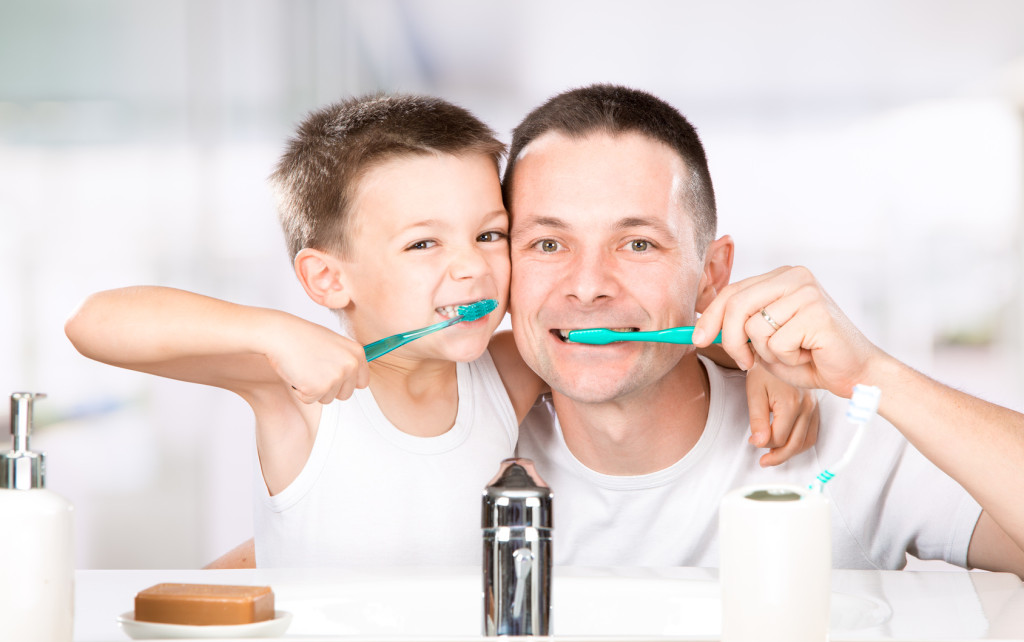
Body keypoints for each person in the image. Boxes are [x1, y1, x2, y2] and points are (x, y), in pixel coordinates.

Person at [64, 93, 816, 569]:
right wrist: (271, 333)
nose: (470, 268)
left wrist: (761, 362)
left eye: (489, 235)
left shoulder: (502, 372)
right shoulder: (298, 391)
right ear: (328, 280)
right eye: (424, 243)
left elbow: (627, 338)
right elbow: (95, 323)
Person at [506, 83, 1024, 577]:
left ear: (711, 275)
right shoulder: (477, 439)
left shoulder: (842, 440)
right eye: (547, 244)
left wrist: (872, 373)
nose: (588, 287)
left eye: (638, 244)